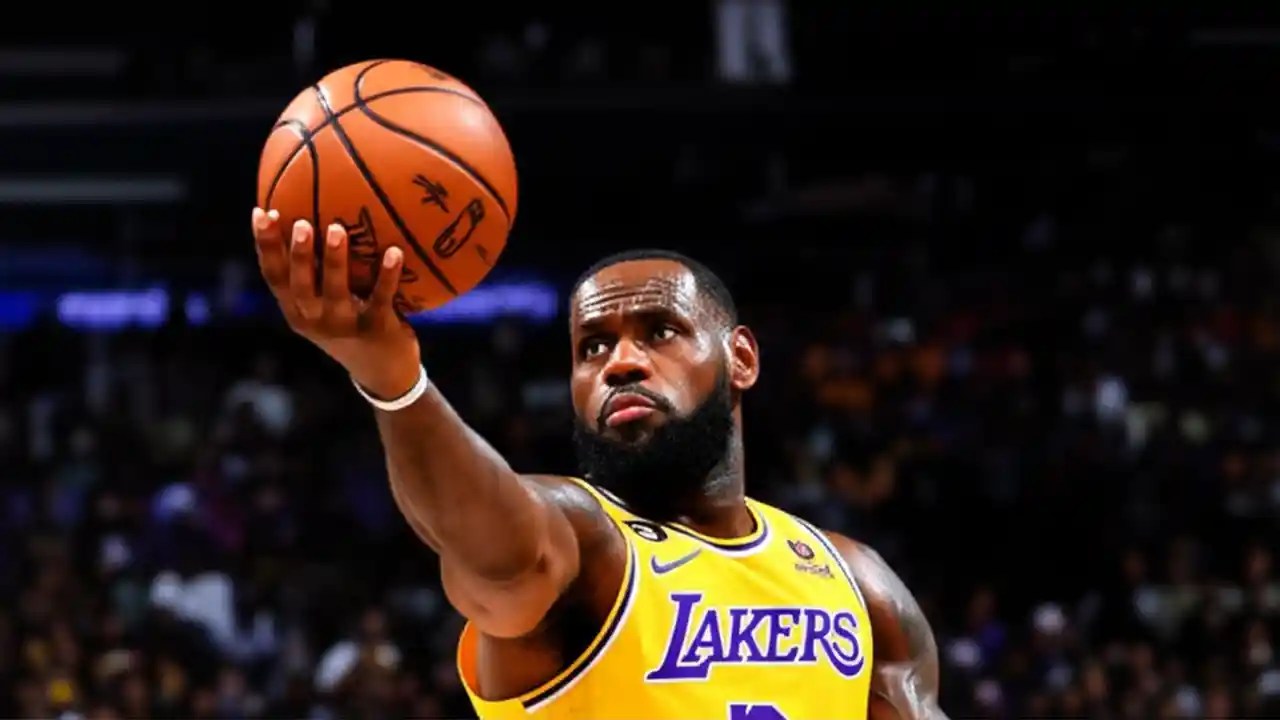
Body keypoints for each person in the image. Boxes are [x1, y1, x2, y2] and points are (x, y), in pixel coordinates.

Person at [251, 208, 950, 720]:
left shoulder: (857, 585)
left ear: (740, 358)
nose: (619, 362)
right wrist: (397, 383)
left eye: (660, 331)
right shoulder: (586, 545)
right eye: (591, 347)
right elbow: (496, 551)